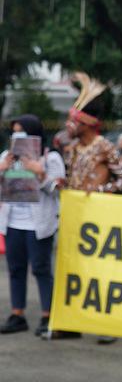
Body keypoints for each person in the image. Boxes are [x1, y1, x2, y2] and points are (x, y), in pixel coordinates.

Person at [61, 74, 122, 344]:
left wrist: (99, 192)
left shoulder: (104, 146)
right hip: (74, 217)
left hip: (98, 219)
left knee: (102, 272)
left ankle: (108, 324)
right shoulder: (72, 149)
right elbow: (73, 180)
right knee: (75, 270)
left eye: (75, 120)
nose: (70, 125)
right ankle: (71, 323)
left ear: (87, 123)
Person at [0, 115, 66, 338]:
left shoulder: (51, 158)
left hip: (38, 224)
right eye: (14, 134)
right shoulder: (6, 157)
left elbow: (59, 190)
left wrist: (40, 172)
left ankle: (48, 315)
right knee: (16, 268)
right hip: (13, 223)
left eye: (22, 133)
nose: (17, 138)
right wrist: (2, 169)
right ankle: (17, 314)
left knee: (41, 268)